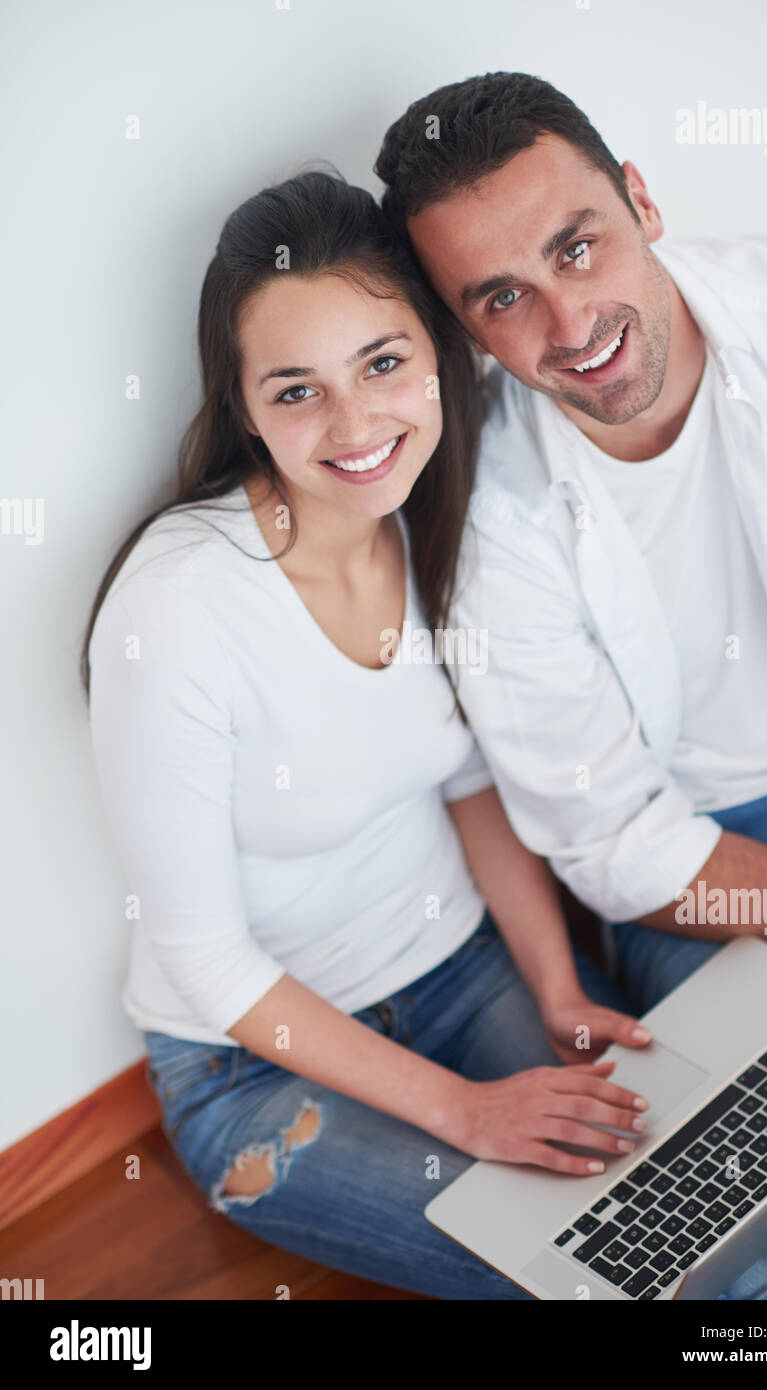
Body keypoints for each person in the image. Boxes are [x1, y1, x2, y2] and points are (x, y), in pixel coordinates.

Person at [82, 169, 661, 1302]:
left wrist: (555, 986)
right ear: (243, 406)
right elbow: (204, 961)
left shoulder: (438, 512)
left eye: (383, 364)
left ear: (438, 350)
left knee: (684, 1199)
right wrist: (468, 1111)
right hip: (246, 1066)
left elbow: (467, 782)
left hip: (462, 970)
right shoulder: (179, 608)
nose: (354, 428)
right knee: (594, 1273)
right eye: (296, 391)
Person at [374, 71, 767, 1295]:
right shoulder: (482, 515)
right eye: (504, 298)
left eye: (578, 247)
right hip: (724, 870)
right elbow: (623, 851)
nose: (570, 321)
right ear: (465, 328)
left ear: (640, 200)